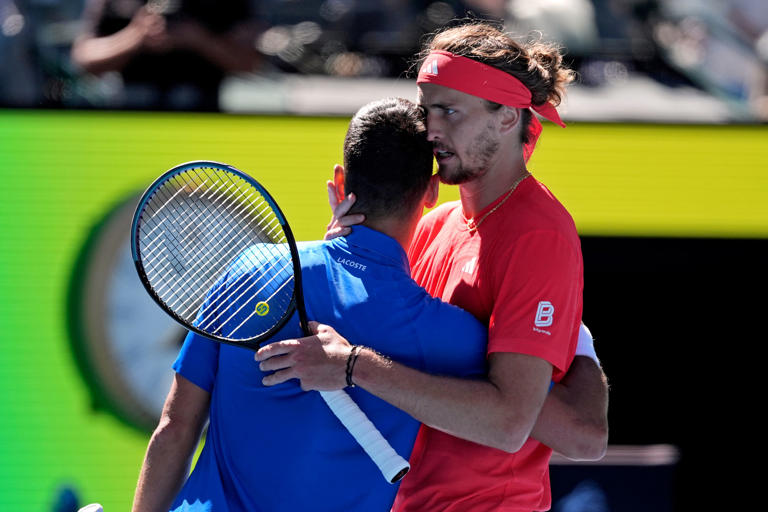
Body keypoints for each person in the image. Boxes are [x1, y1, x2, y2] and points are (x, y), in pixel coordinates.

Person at [256, 21, 609, 511]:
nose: (431, 129)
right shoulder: (434, 223)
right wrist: (347, 255)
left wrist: (353, 366)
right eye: (427, 110)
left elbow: (509, 424)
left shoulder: (539, 234)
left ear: (507, 117)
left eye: (449, 110)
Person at [131, 97, 493, 512]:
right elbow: (519, 417)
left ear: (340, 184)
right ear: (430, 192)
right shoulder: (452, 335)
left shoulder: (250, 268)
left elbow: (175, 429)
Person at [70, 0, 261, 111]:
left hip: (201, 125)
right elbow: (84, 59)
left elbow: (250, 63)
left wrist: (199, 39)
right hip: (130, 125)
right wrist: (136, 36)